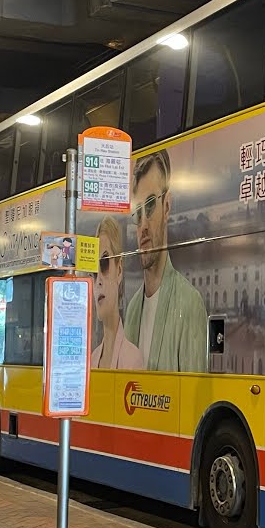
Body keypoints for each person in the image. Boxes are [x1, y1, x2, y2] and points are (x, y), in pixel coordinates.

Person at [123, 149, 209, 373]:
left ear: (167, 206)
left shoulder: (189, 303)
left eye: (150, 206)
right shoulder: (132, 309)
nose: (143, 226)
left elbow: (192, 398)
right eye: (137, 213)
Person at [90, 217, 143, 370]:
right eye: (94, 272)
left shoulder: (132, 358)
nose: (98, 280)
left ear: (119, 270)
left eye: (105, 263)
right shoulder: (93, 359)